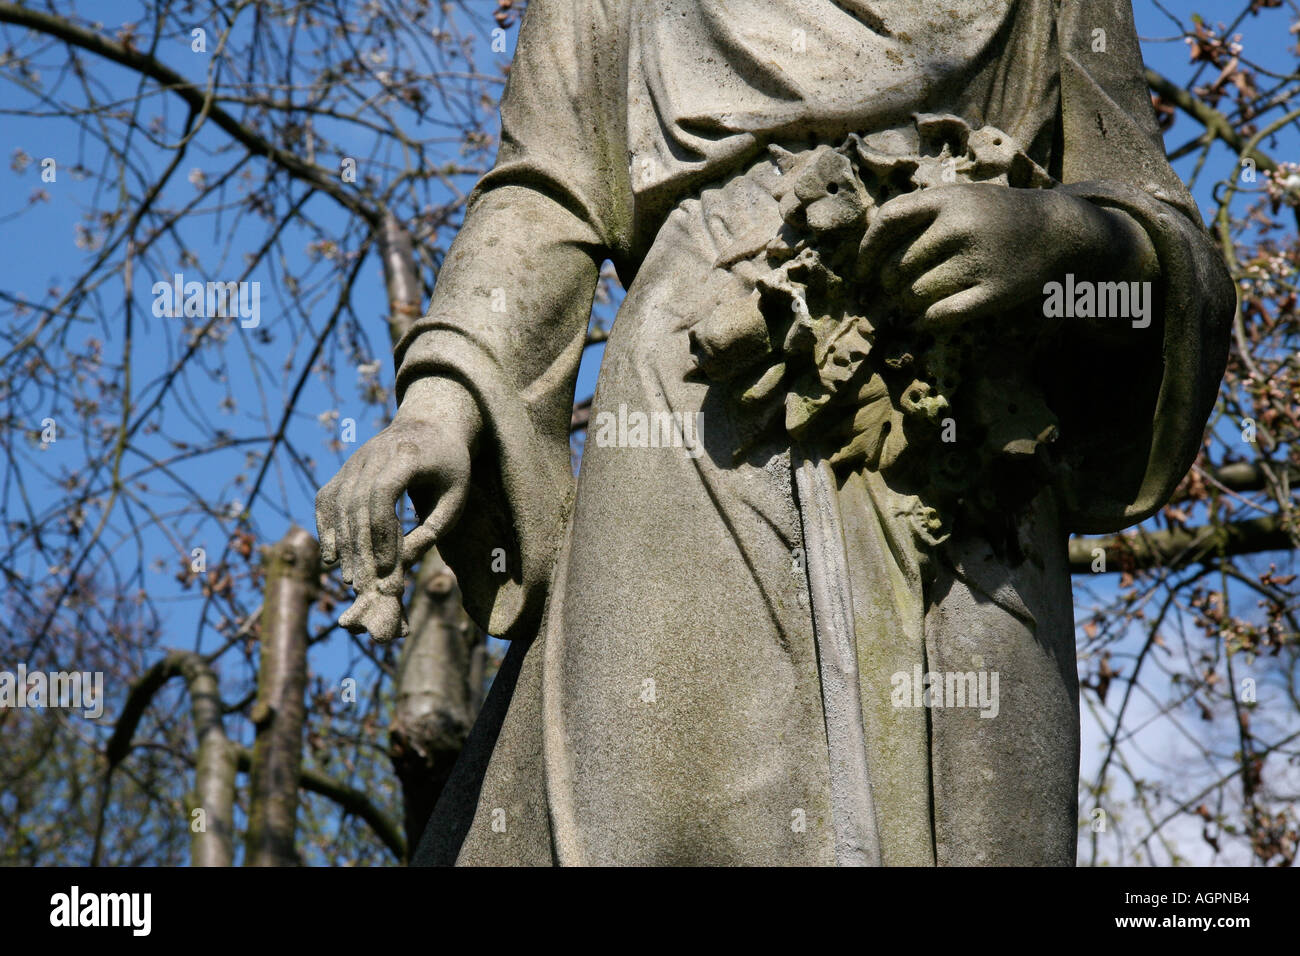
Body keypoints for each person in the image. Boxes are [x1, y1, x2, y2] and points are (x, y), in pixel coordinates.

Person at [315, 0, 1234, 865]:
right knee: (684, 815)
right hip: (700, 408)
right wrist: (442, 402)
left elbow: (1161, 236)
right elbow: (543, 194)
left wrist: (1061, 242)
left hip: (969, 447)